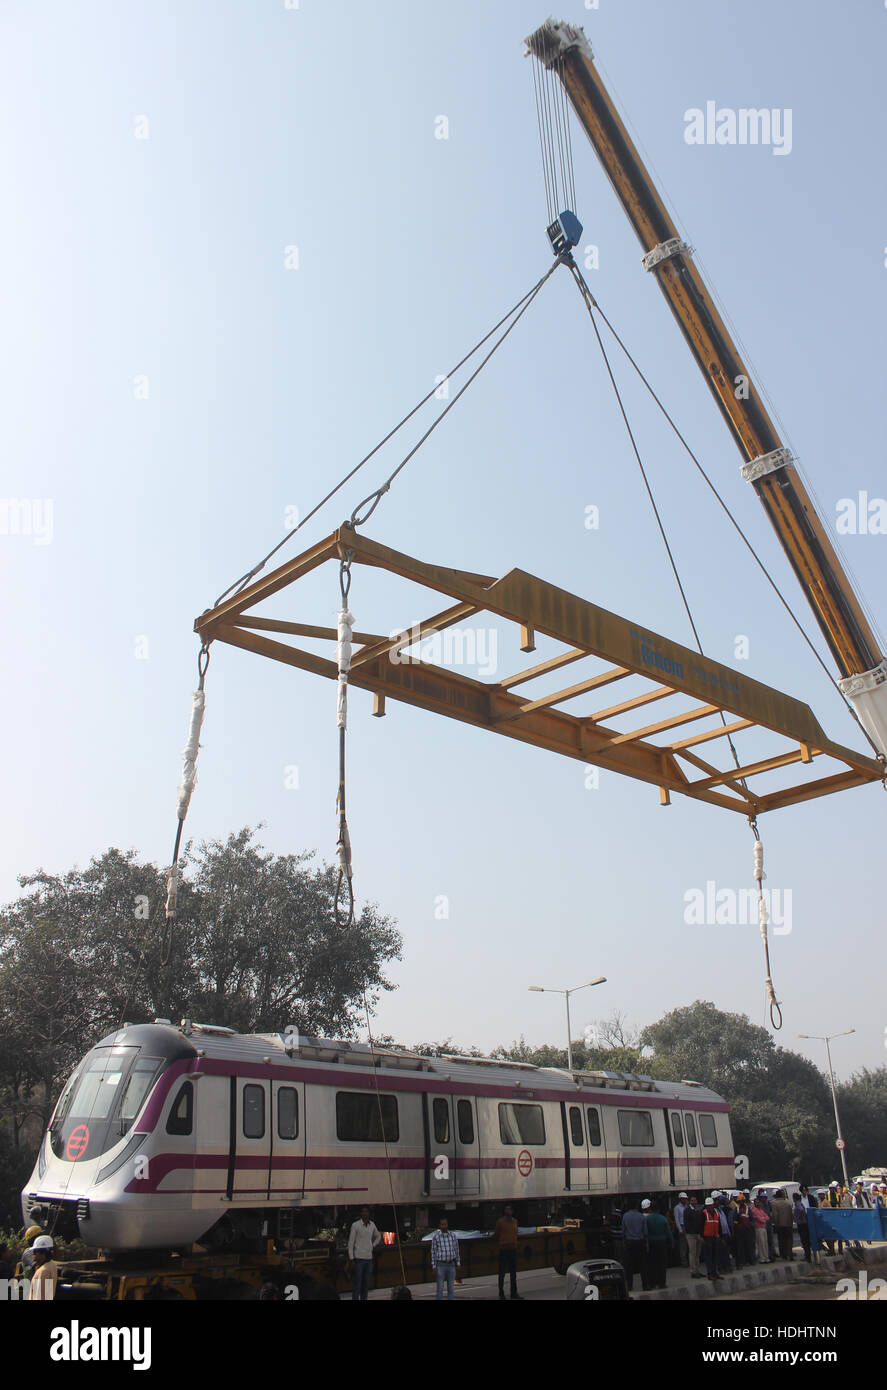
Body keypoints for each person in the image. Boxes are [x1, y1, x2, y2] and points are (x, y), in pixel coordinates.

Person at [347, 1206, 381, 1301]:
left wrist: (373, 1245)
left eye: (366, 1212)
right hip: (359, 1258)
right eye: (363, 1212)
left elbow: (378, 1236)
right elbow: (351, 1242)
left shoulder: (372, 1225)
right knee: (357, 1283)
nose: (365, 1213)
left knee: (365, 1284)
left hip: (368, 1258)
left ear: (369, 1213)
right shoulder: (355, 1225)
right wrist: (351, 1257)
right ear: (360, 1214)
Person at [619, 1200, 649, 1293]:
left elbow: (623, 1231)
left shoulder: (625, 1216)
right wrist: (646, 1243)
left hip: (629, 1242)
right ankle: (645, 1285)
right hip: (639, 1242)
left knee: (629, 1265)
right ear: (637, 1206)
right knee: (642, 1264)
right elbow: (645, 1232)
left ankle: (630, 1285)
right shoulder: (641, 1216)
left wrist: (624, 1242)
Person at [494, 1204, 521, 1300]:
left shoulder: (515, 1221)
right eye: (506, 1209)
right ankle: (501, 1293)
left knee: (513, 1273)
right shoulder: (500, 1222)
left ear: (512, 1211)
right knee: (502, 1272)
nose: (508, 1211)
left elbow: (516, 1233)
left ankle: (514, 1292)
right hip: (504, 1249)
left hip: (513, 1249)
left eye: (509, 1209)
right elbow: (496, 1234)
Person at [645, 1201, 673, 1289]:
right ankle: (662, 1283)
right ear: (659, 1209)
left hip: (651, 1242)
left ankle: (652, 1283)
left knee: (652, 1264)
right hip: (662, 1243)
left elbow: (645, 1232)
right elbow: (668, 1232)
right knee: (662, 1264)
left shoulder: (647, 1219)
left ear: (650, 1209)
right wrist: (672, 1242)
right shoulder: (663, 1219)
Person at [430, 1217, 460, 1301]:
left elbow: (456, 1249)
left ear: (447, 1225)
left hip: (451, 1264)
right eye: (442, 1224)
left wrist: (458, 1263)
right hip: (440, 1264)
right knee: (440, 1288)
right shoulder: (436, 1237)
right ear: (440, 1225)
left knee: (451, 1287)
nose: (444, 1226)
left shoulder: (453, 1235)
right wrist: (434, 1265)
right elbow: (433, 1251)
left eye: (445, 1224)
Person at [28, 1236, 58, 1301]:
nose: (33, 1254)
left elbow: (40, 1297)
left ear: (43, 1253)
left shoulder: (44, 1271)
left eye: (35, 1251)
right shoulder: (51, 1265)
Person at [683, 1195, 705, 1279]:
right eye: (692, 1200)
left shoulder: (698, 1210)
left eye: (695, 1200)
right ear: (690, 1201)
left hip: (698, 1234)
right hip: (691, 1234)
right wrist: (695, 1233)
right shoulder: (687, 1211)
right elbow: (687, 1224)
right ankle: (693, 1271)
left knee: (697, 1254)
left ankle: (697, 1270)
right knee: (692, 1253)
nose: (694, 1202)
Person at [770, 1189, 794, 1260]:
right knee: (789, 1240)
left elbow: (775, 1215)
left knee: (781, 1240)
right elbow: (791, 1214)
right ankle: (790, 1254)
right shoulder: (788, 1202)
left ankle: (784, 1255)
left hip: (780, 1224)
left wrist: (776, 1224)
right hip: (789, 1224)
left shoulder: (774, 1203)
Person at [701, 1198, 721, 1280]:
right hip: (707, 1238)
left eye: (711, 1205)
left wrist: (719, 1235)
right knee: (709, 1256)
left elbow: (719, 1225)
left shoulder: (716, 1212)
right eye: (708, 1206)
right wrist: (701, 1237)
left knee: (715, 1256)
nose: (710, 1207)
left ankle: (715, 1273)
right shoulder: (703, 1213)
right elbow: (700, 1226)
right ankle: (710, 1274)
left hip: (715, 1237)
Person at [792, 1194, 812, 1262]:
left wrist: (799, 1218)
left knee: (805, 1241)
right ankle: (807, 1255)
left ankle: (807, 1256)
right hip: (803, 1223)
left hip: (802, 1224)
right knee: (805, 1241)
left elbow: (801, 1210)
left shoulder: (798, 1205)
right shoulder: (800, 1204)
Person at [752, 1197, 771, 1263]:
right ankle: (762, 1258)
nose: (758, 1204)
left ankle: (766, 1257)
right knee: (761, 1243)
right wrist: (763, 1218)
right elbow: (761, 1220)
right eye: (756, 1202)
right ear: (754, 1203)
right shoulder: (754, 1211)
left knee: (765, 1243)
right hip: (759, 1228)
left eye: (758, 1202)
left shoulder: (761, 1210)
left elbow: (767, 1217)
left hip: (764, 1228)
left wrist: (763, 1218)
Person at [673, 1192, 689, 1266]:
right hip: (682, 1226)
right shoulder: (677, 1208)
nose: (685, 1200)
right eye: (683, 1199)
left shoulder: (687, 1207)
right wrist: (680, 1229)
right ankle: (683, 1261)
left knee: (689, 1244)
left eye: (685, 1199)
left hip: (688, 1226)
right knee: (683, 1245)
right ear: (680, 1199)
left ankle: (688, 1260)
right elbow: (677, 1219)